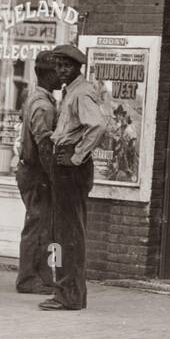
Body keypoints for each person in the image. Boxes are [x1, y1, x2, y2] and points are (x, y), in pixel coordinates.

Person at [41, 44, 105, 311]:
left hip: (70, 166)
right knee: (64, 230)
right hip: (63, 162)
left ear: (78, 67)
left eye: (66, 65)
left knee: (69, 232)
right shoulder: (70, 91)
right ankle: (69, 293)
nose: (60, 70)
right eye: (57, 65)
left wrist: (77, 156)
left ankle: (68, 295)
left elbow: (98, 125)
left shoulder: (81, 93)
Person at [14, 52, 59, 294]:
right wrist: (54, 175)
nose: (62, 75)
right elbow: (43, 145)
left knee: (42, 223)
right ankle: (28, 279)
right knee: (36, 224)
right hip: (36, 173)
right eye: (58, 71)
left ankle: (41, 275)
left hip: (32, 171)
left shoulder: (38, 99)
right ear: (48, 75)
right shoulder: (42, 106)